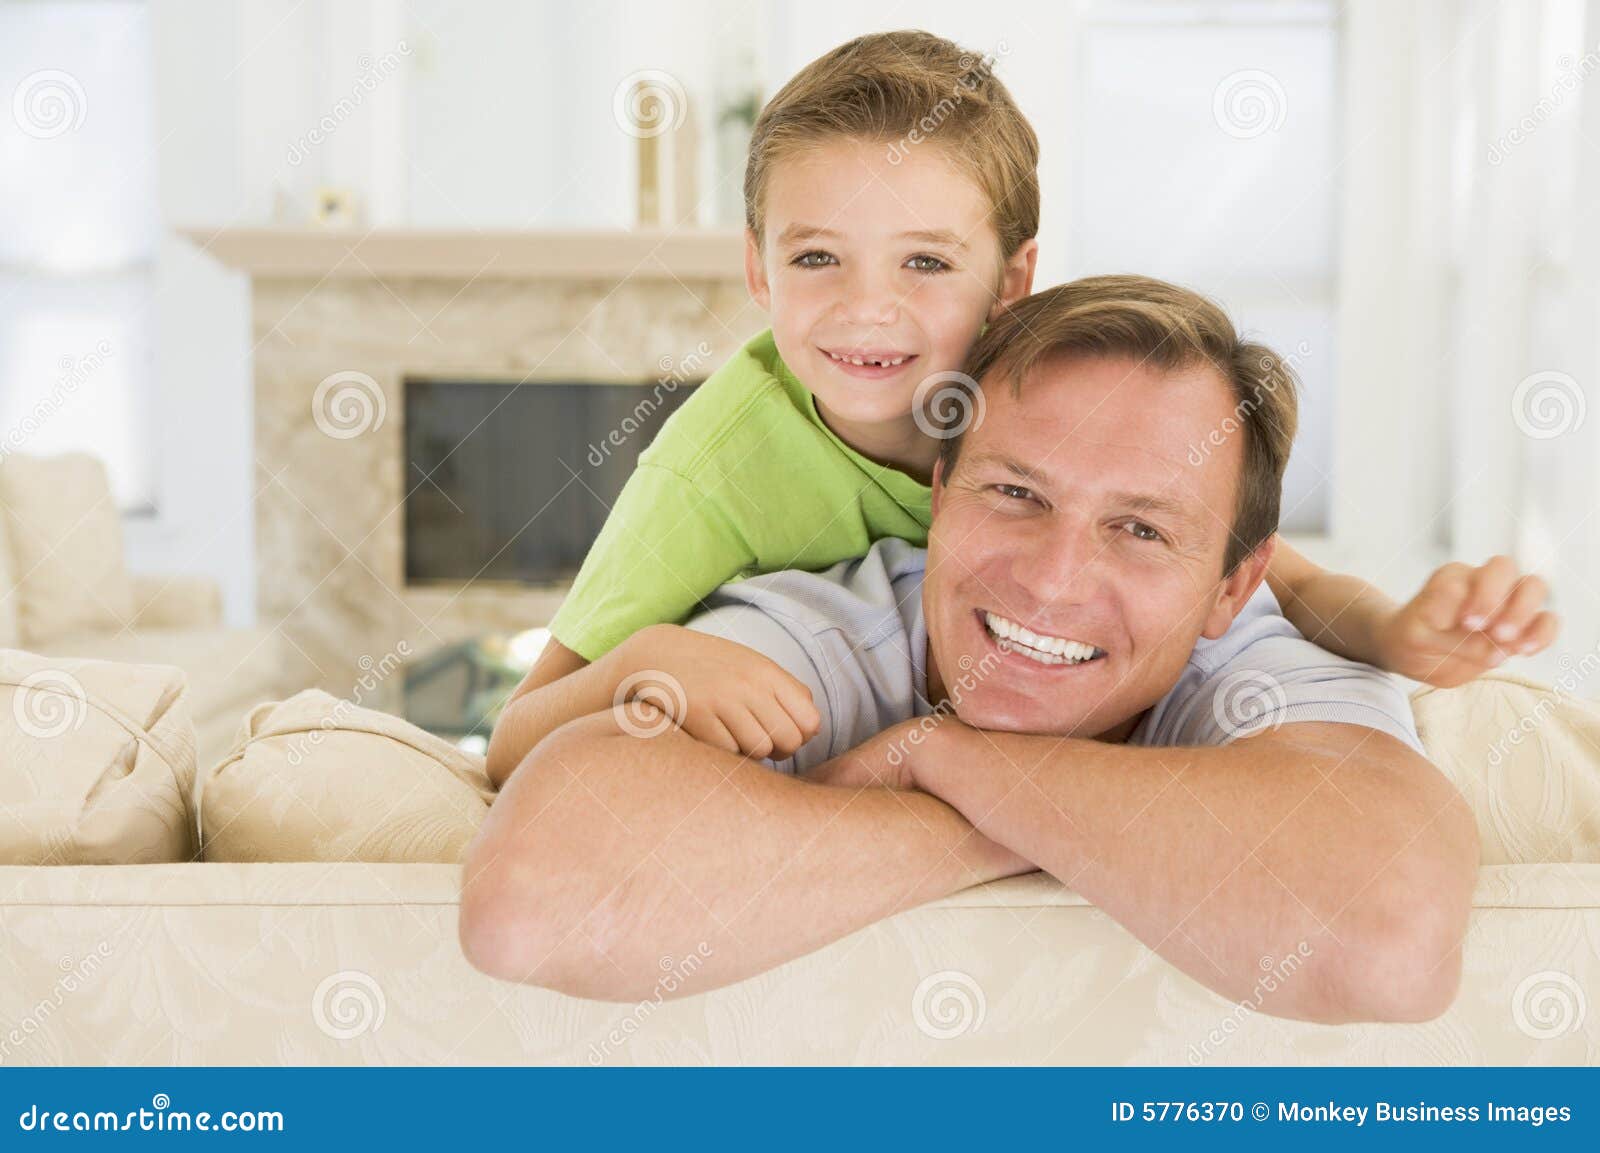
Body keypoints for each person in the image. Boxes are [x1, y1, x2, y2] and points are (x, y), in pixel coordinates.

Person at [485, 30, 1554, 786]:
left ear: (1011, 280)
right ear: (758, 274)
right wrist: (646, 663)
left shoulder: (1043, 387)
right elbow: (511, 737)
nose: (868, 307)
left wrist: (1398, 633)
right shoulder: (710, 470)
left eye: (925, 261)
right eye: (816, 255)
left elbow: (1277, 574)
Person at [459, 276, 1535, 1024]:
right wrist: (1026, 824)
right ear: (938, 500)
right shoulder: (826, 623)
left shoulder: (1264, 661)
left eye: (1141, 528)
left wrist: (939, 758)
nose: (1054, 578)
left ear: (1233, 585)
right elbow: (534, 899)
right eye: (1015, 493)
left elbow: (1383, 939)